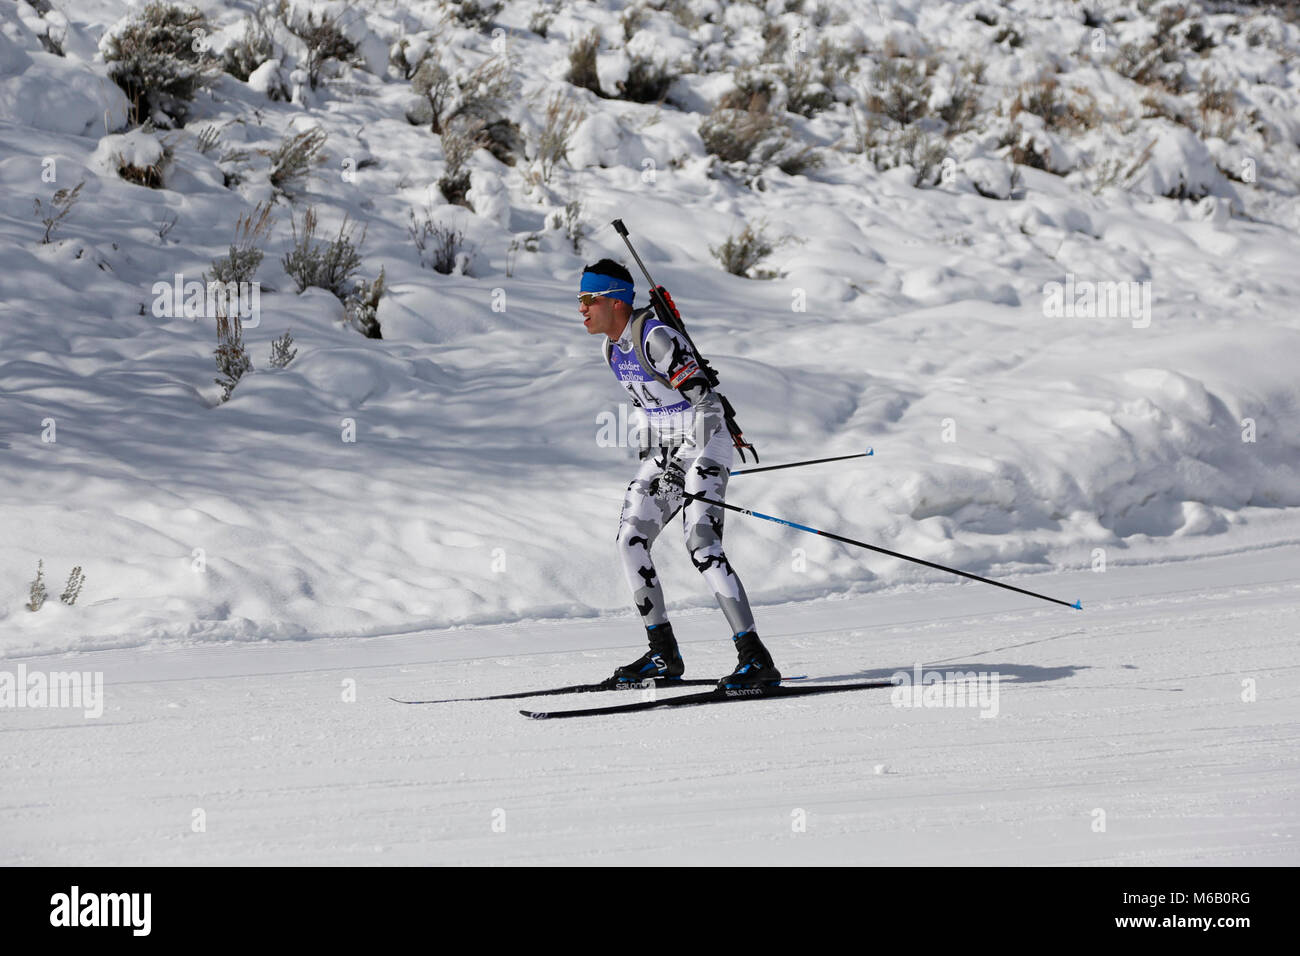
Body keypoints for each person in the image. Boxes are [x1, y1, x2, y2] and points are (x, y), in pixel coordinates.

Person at [578, 258, 780, 688]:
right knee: (630, 540)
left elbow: (706, 405)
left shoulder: (655, 337)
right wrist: (656, 455)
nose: (581, 308)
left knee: (702, 544)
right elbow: (653, 407)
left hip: (706, 443)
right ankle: (663, 655)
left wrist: (682, 466)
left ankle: (756, 659)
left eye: (588, 299)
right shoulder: (612, 349)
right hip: (668, 452)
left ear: (614, 301)